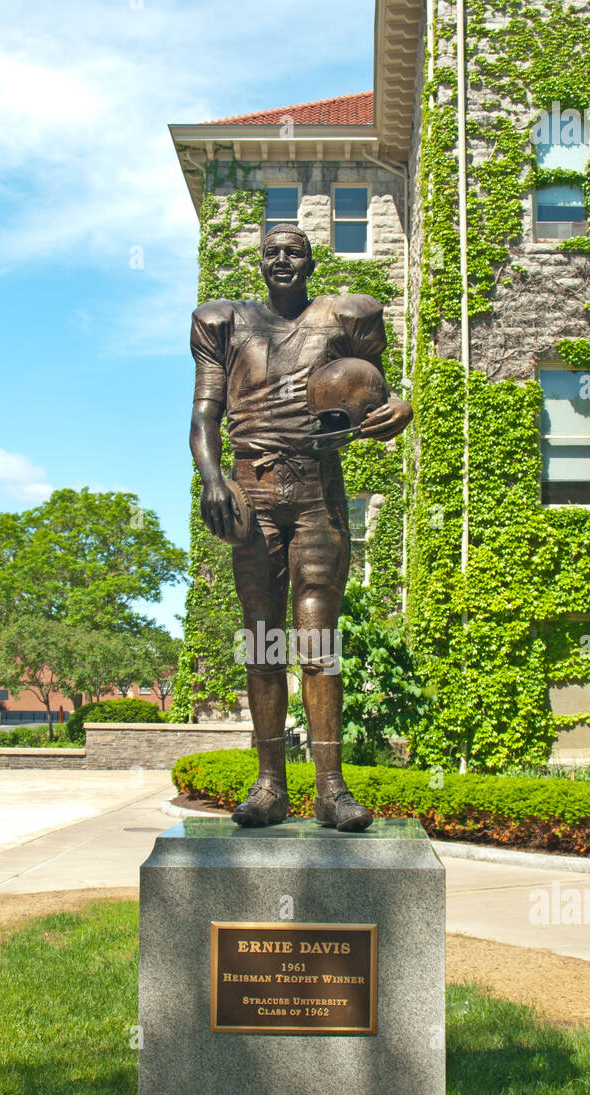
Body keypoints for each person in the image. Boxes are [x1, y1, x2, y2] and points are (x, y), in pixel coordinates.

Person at [189, 222, 412, 830]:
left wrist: (401, 408)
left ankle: (331, 789)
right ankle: (268, 786)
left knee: (318, 644)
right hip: (251, 491)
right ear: (259, 264)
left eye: (294, 252)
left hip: (317, 490)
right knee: (261, 643)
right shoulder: (224, 322)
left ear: (310, 261)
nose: (282, 260)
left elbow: (377, 393)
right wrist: (212, 478)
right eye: (272, 253)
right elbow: (205, 412)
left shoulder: (346, 318)